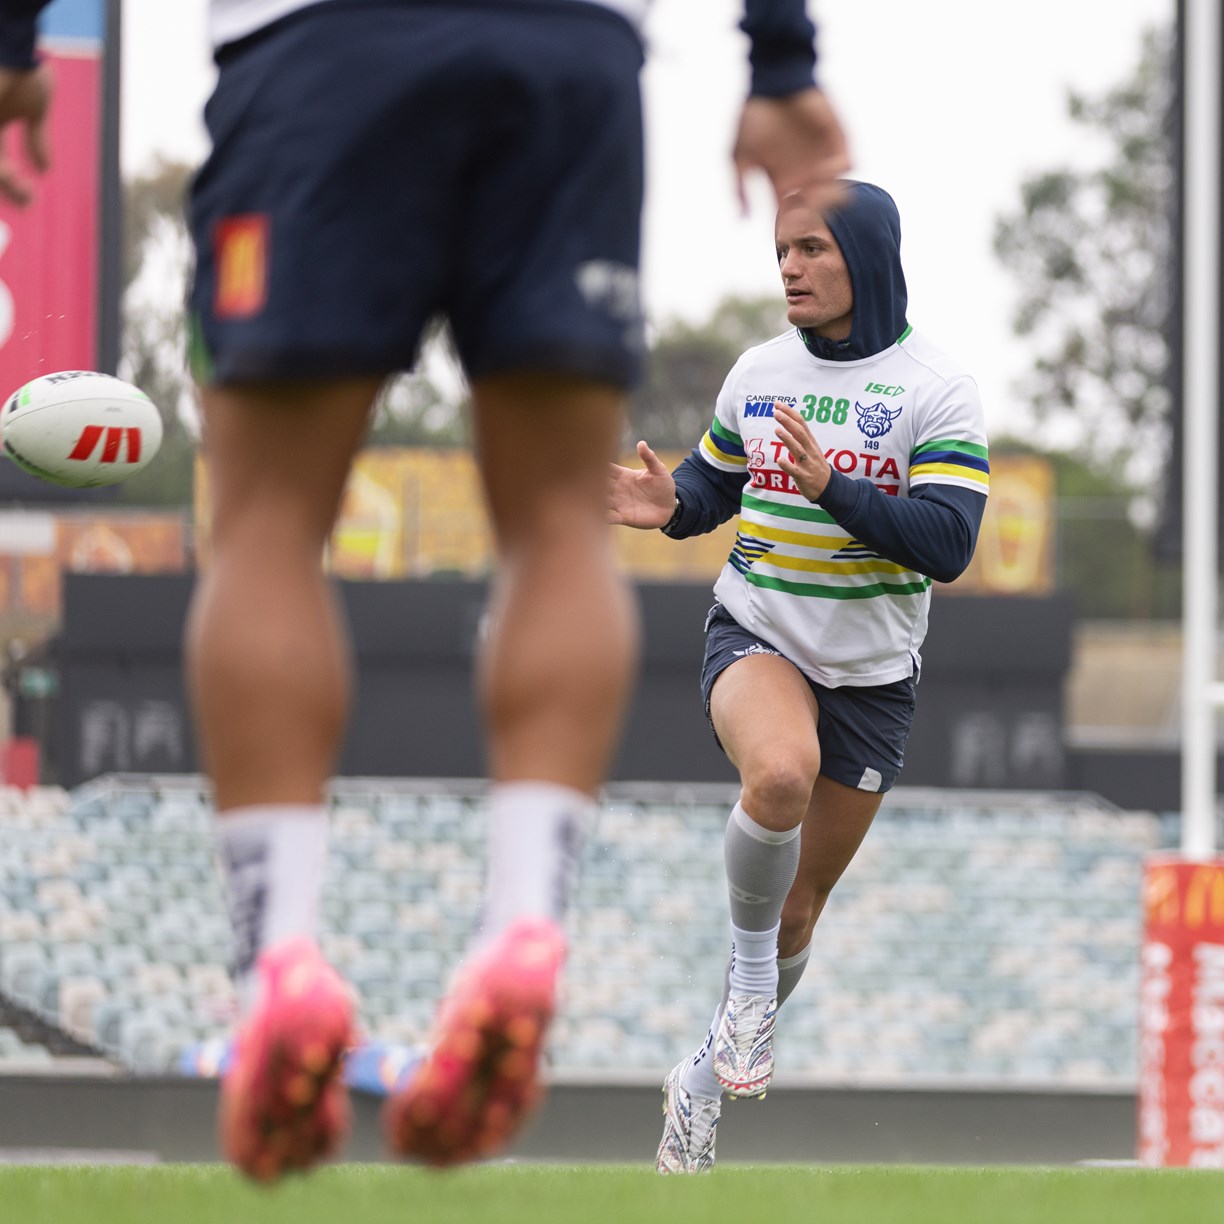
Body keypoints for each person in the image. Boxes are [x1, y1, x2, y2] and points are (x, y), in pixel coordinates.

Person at [3, 0, 851, 1183]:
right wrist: (779, 57)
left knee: (264, 530)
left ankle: (281, 967)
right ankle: (520, 933)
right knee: (559, 523)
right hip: (565, 50)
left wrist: (12, 48)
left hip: (313, 50)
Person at [608, 180, 990, 1173]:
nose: (789, 267)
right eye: (782, 249)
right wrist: (672, 500)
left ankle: (699, 1080)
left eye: (812, 249)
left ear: (865, 258)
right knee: (776, 774)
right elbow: (714, 484)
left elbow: (948, 544)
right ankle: (743, 994)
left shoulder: (936, 389)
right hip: (758, 629)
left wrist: (835, 486)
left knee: (799, 913)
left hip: (871, 679)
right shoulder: (760, 370)